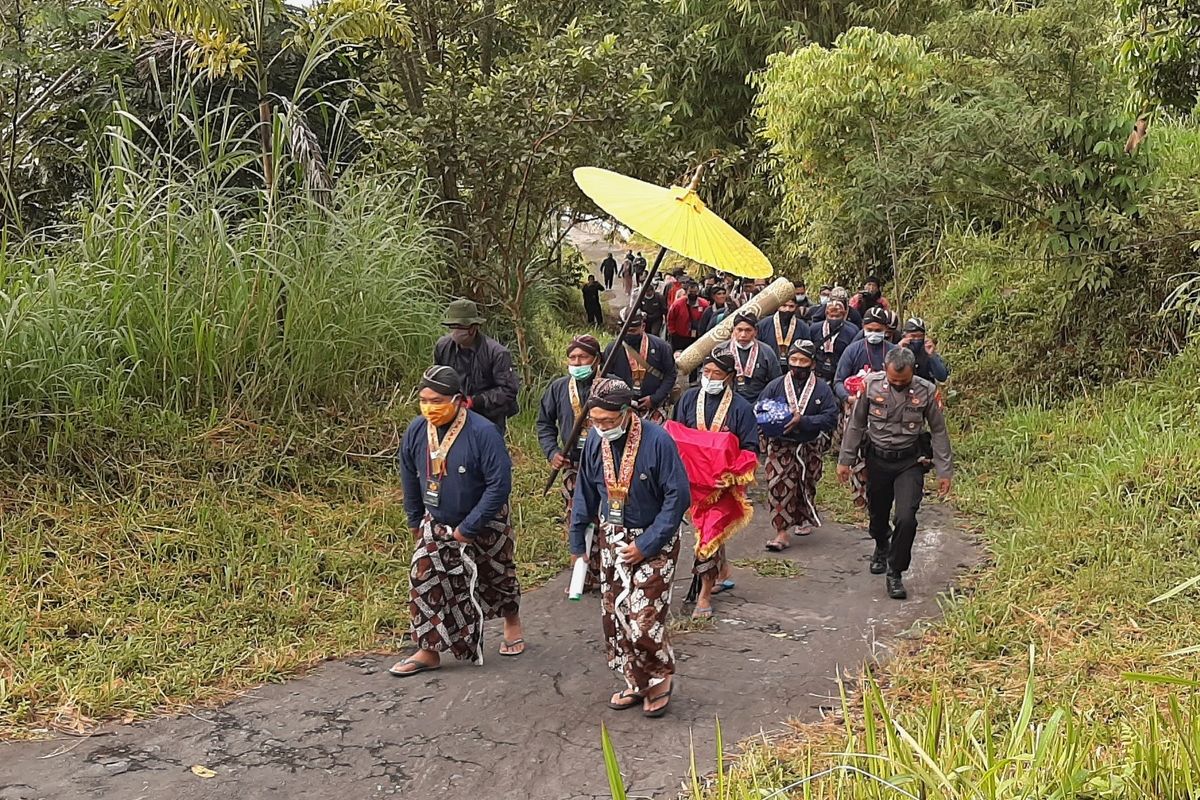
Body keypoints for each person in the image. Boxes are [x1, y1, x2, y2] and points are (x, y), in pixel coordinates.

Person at [391, 366, 524, 676]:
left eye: (436, 400)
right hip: (436, 519)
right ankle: (428, 649)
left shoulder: (483, 432)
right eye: (423, 400)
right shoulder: (415, 431)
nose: (429, 407)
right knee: (423, 578)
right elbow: (409, 478)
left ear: (458, 400)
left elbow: (499, 485)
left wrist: (470, 527)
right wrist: (415, 521)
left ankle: (512, 620)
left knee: (497, 575)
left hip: (486, 519)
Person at [569, 378, 690, 718]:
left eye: (608, 421)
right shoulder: (595, 440)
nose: (601, 428)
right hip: (612, 538)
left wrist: (647, 544)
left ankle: (659, 678)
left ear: (626, 412)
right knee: (616, 617)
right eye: (595, 421)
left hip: (654, 538)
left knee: (644, 620)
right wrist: (578, 543)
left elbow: (677, 497)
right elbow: (585, 494)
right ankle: (636, 681)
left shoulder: (658, 441)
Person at [838, 348, 953, 600]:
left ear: (913, 372)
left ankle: (895, 571)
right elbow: (856, 423)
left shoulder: (926, 391)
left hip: (909, 462)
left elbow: (938, 431)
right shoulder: (871, 385)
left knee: (906, 518)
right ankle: (881, 543)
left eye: (904, 381)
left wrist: (944, 470)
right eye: (893, 381)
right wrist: (845, 460)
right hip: (878, 460)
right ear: (886, 370)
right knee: (877, 515)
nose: (898, 385)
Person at [672, 347, 757, 617]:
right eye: (706, 372)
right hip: (691, 485)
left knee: (707, 538)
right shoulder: (687, 400)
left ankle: (704, 596)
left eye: (716, 374)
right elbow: (673, 434)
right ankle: (722, 570)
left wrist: (731, 474)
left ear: (729, 377)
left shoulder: (741, 409)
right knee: (706, 534)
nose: (710, 378)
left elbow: (751, 448)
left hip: (722, 488)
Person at [537, 335, 604, 589]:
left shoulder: (609, 385)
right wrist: (552, 451)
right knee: (577, 517)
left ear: (596, 360)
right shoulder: (558, 388)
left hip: (606, 464)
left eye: (583, 358)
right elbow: (544, 423)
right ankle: (583, 573)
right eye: (573, 358)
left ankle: (605, 570)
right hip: (573, 466)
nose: (577, 363)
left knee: (607, 517)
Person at [759, 341, 839, 549]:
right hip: (780, 446)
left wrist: (803, 420)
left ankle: (802, 517)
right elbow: (759, 409)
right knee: (778, 485)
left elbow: (831, 417)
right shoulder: (775, 385)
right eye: (794, 360)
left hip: (809, 446)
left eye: (803, 361)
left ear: (812, 364)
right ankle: (781, 533)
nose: (797, 365)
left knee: (805, 485)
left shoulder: (822, 389)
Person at [434, 299, 520, 435]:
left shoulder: (497, 353)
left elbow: (508, 390)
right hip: (453, 415)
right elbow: (438, 380)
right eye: (452, 326)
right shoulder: (443, 347)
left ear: (473, 328)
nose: (455, 331)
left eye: (459, 326)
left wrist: (474, 401)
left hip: (489, 418)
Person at [602, 307, 677, 422]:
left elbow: (670, 375)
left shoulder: (661, 347)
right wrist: (624, 399)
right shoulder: (612, 349)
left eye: (632, 331)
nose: (628, 334)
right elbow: (607, 377)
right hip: (623, 408)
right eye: (625, 330)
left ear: (643, 326)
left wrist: (654, 399)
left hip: (655, 407)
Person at [729, 311, 781, 403]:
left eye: (748, 330)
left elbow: (776, 382)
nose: (743, 335)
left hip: (759, 402)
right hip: (730, 403)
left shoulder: (766, 352)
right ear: (734, 330)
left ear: (755, 331)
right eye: (739, 330)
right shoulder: (722, 350)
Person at [810, 296, 859, 384]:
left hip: (839, 374)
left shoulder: (852, 331)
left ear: (843, 315)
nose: (834, 319)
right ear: (826, 314)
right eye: (831, 316)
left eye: (837, 316)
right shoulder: (815, 329)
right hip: (818, 373)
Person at [758, 297, 808, 366]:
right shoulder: (763, 324)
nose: (787, 309)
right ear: (778, 306)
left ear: (796, 307)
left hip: (794, 366)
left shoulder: (803, 327)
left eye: (791, 306)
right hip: (768, 365)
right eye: (784, 306)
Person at [899, 318, 950, 383]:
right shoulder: (898, 349)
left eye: (920, 336)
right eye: (913, 336)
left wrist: (932, 355)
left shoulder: (926, 351)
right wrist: (898, 351)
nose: (917, 339)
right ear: (904, 336)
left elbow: (942, 377)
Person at [666, 281, 709, 352]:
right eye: (691, 292)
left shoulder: (704, 304)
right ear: (686, 292)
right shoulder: (677, 304)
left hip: (697, 336)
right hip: (680, 336)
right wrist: (672, 332)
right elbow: (670, 318)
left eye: (695, 292)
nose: (693, 294)